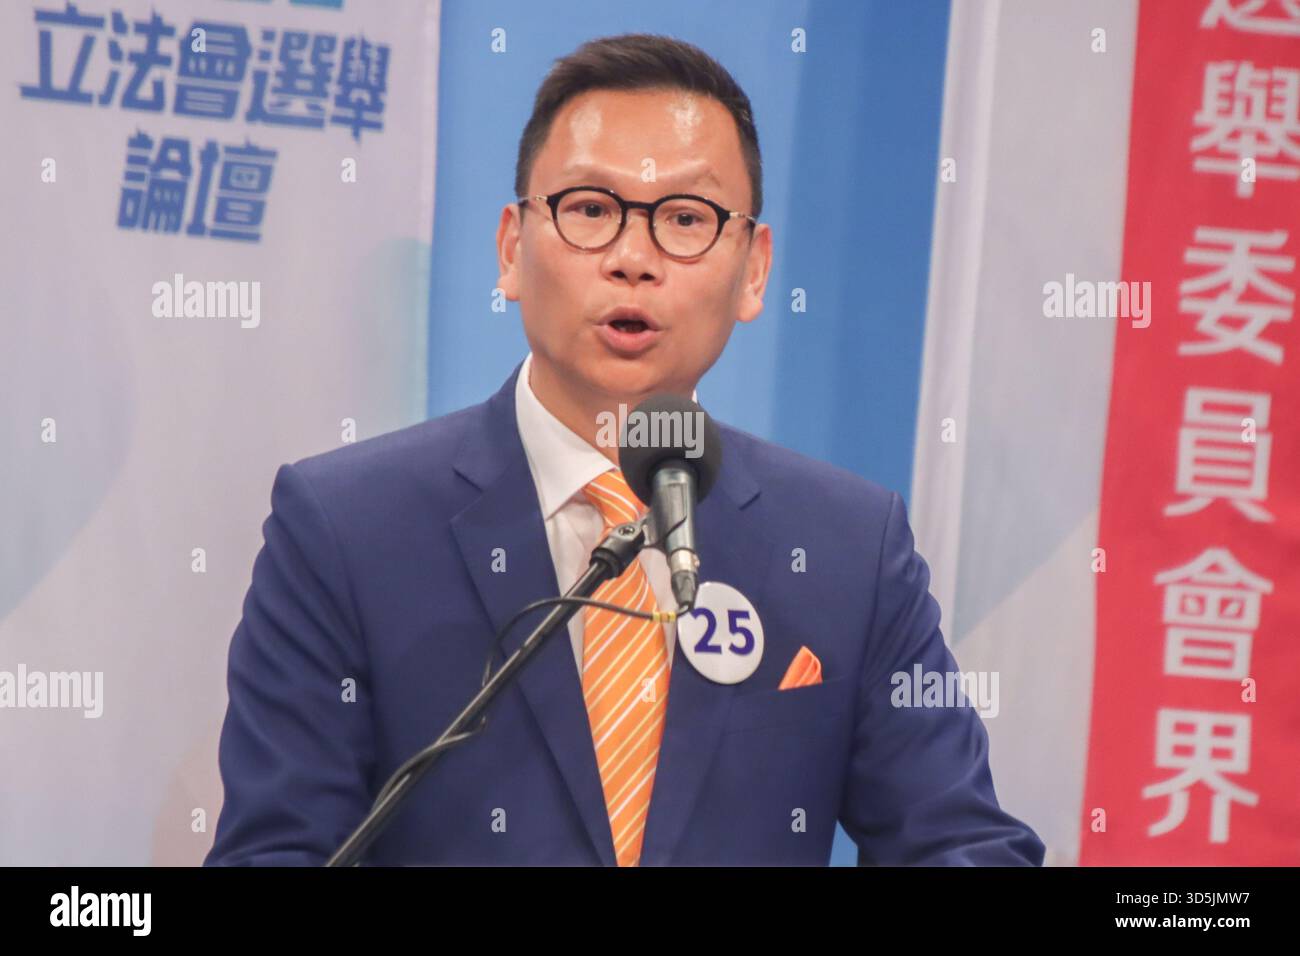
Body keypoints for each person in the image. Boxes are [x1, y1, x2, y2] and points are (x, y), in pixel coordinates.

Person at [206, 33, 1045, 866]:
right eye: (591, 211)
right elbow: (275, 853)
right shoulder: (347, 529)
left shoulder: (847, 550)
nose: (633, 259)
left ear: (754, 270)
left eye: (686, 218)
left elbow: (961, 843)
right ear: (511, 248)